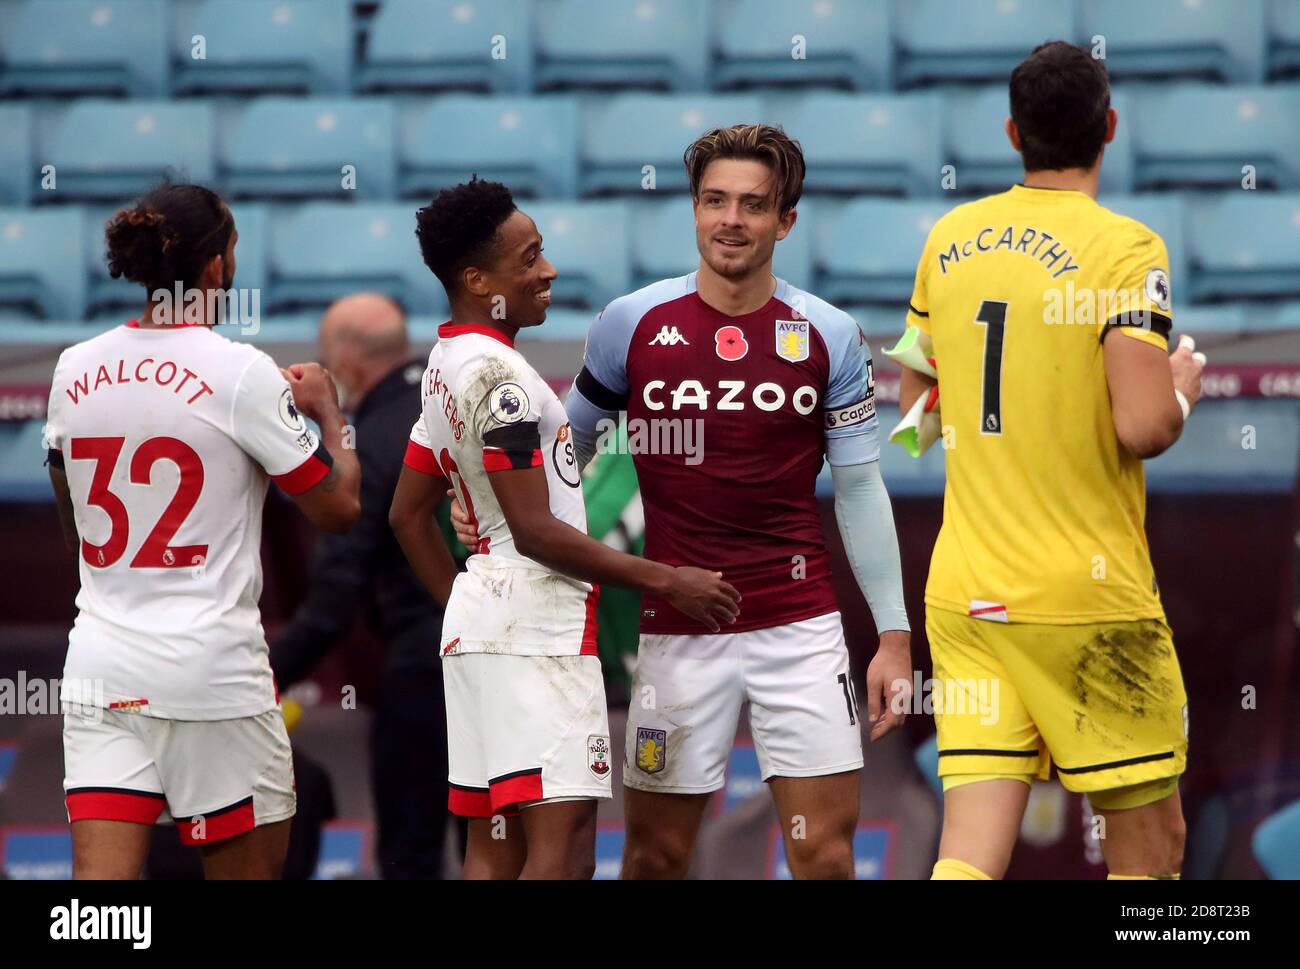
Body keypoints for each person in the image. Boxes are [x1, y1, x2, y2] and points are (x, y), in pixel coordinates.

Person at [455, 126, 914, 879]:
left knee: (824, 855)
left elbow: (860, 486)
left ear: (785, 220)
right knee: (655, 857)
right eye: (714, 200)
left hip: (799, 626)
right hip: (674, 630)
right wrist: (493, 508)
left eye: (753, 204)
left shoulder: (831, 334)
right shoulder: (630, 324)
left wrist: (893, 634)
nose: (731, 219)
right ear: (694, 210)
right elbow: (566, 450)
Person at [893, 41, 1204, 880]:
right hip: (1083, 598)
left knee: (969, 851)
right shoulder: (1126, 248)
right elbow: (1143, 427)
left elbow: (915, 412)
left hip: (967, 593)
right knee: (1152, 847)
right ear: (1110, 128)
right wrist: (1179, 391)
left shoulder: (949, 236)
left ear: (1011, 132)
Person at [388, 177, 740, 880]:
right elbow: (535, 532)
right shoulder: (502, 377)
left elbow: (408, 513)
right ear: (476, 278)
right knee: (565, 843)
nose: (547, 271)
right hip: (537, 628)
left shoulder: (444, 365)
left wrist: (465, 607)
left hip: (483, 625)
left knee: (494, 845)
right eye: (529, 259)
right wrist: (670, 580)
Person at [43, 182, 360, 879]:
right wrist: (329, 414)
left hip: (100, 662)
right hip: (210, 670)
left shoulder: (73, 368)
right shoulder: (240, 372)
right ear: (216, 268)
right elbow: (337, 507)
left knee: (103, 908)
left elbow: (75, 525)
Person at [270, 293, 455, 879]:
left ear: (345, 365)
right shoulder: (455, 405)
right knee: (498, 850)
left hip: (423, 671)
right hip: (505, 661)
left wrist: (263, 677)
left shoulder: (366, 442)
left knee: (409, 854)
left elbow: (333, 599)